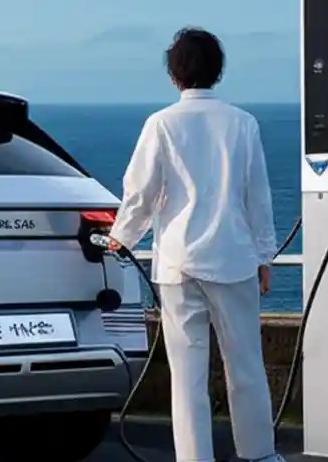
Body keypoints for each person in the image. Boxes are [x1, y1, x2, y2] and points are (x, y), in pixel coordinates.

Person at [107, 27, 282, 462]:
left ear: (174, 75)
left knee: (187, 378)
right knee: (245, 367)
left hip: (179, 264)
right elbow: (257, 196)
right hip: (235, 259)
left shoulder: (161, 124)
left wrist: (120, 238)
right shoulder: (243, 123)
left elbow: (141, 194)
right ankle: (260, 455)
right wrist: (265, 255)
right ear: (217, 72)